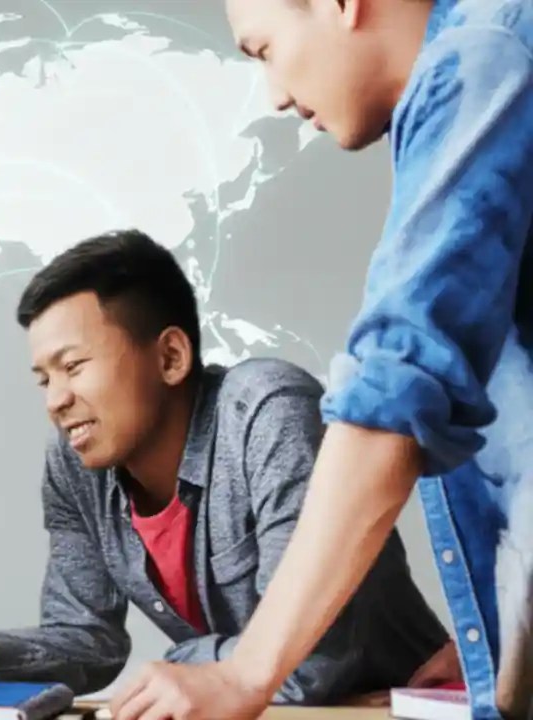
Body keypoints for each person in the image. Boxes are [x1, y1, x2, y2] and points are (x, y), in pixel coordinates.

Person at [106, 2, 533, 719]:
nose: (272, 93)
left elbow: (396, 391)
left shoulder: (483, 56)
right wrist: (502, 629)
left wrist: (247, 672)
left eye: (264, 49)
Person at [0, 230, 455, 703]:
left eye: (73, 366)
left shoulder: (268, 412)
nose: (54, 399)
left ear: (171, 357)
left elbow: (311, 660)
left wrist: (186, 661)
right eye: (43, 378)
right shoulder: (73, 467)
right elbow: (90, 639)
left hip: (386, 710)